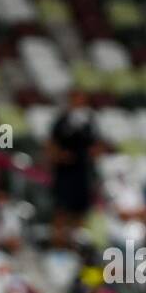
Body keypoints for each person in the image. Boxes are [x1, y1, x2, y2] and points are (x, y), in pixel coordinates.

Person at [47, 89, 103, 244]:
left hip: (83, 171)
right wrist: (59, 156)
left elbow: (97, 145)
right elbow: (51, 144)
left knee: (80, 210)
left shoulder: (89, 122)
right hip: (65, 172)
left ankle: (77, 241)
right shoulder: (62, 121)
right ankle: (58, 242)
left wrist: (91, 156)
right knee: (61, 209)